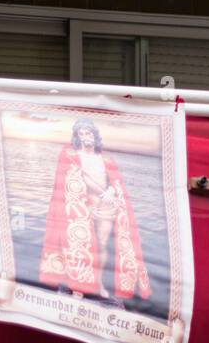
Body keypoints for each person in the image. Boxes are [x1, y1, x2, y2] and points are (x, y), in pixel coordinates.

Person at [39, 118, 151, 303]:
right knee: (78, 244)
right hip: (81, 205)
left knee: (101, 244)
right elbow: (77, 176)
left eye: (88, 133)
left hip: (106, 206)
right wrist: (103, 191)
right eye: (81, 133)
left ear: (95, 135)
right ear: (77, 137)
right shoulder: (71, 154)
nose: (85, 137)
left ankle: (98, 284)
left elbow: (116, 181)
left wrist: (112, 191)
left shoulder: (106, 158)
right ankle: (77, 285)